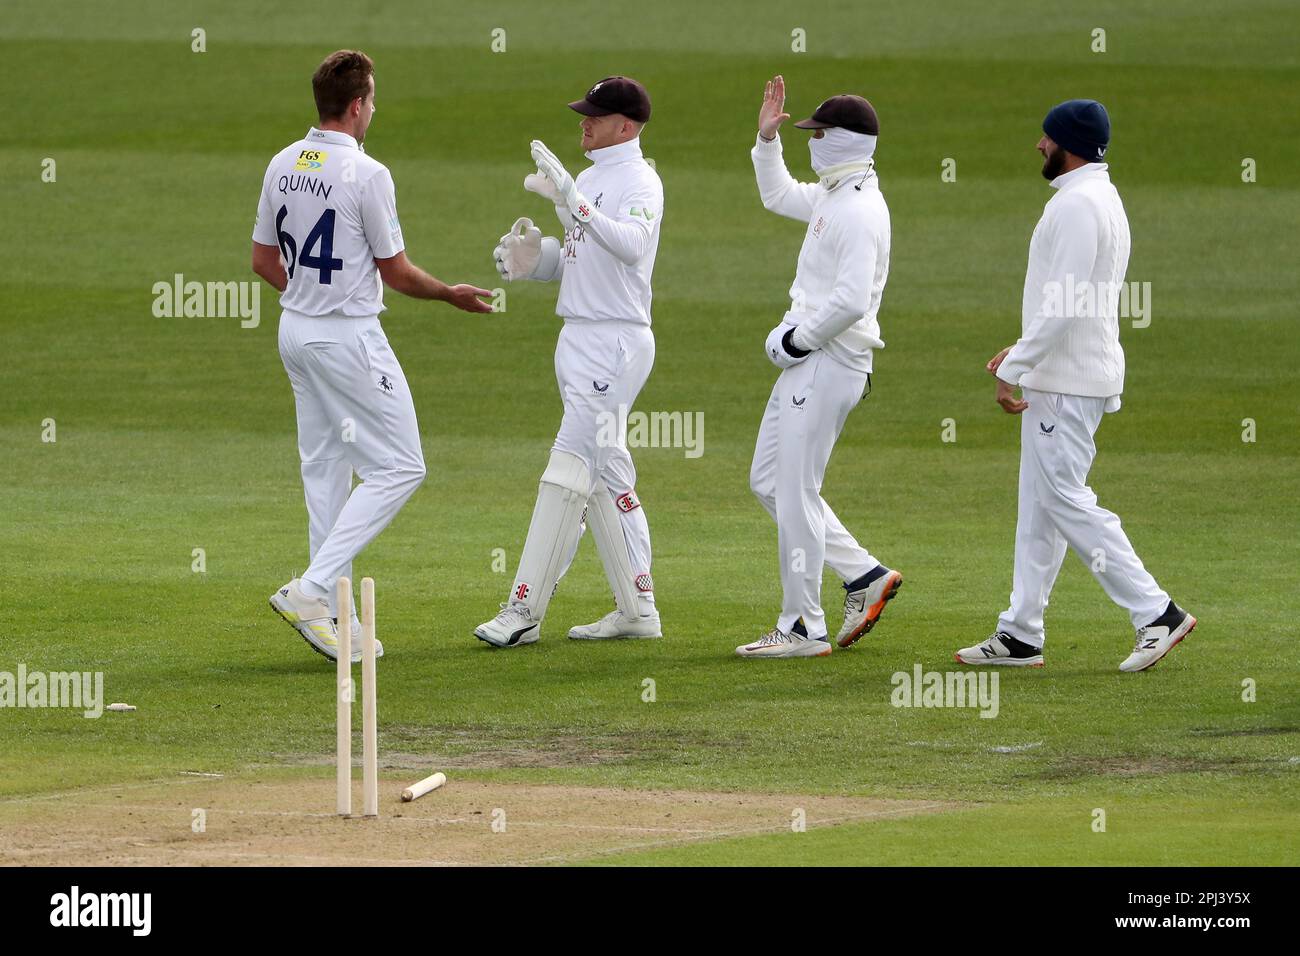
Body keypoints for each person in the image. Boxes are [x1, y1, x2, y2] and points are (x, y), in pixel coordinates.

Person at [255, 50, 492, 661]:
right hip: (347, 338)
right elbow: (397, 272)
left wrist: (309, 297)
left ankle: (335, 618)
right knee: (401, 466)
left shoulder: (282, 163)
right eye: (372, 103)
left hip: (295, 333)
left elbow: (262, 262)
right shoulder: (367, 174)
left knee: (327, 466)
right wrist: (449, 293)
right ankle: (310, 590)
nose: (373, 113)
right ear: (357, 105)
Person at [956, 99, 1195, 672]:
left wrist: (1018, 369)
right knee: (1040, 506)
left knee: (1064, 498)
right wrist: (1023, 351)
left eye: (1047, 138)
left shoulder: (1078, 206)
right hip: (1067, 371)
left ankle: (1155, 612)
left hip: (1065, 381)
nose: (1039, 145)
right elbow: (1068, 301)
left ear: (1071, 146)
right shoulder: (1095, 198)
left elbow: (1062, 303)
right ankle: (1020, 633)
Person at [476, 76, 664, 648]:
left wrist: (573, 202)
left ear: (625, 127)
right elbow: (586, 260)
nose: (584, 122)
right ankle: (638, 608)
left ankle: (524, 609)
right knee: (607, 475)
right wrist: (538, 262)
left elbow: (630, 245)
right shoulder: (588, 175)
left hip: (614, 343)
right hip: (578, 337)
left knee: (567, 470)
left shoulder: (641, 180)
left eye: (596, 116)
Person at [736, 76, 903, 660]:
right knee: (769, 481)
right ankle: (863, 574)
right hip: (814, 359)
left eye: (819, 133)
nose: (811, 141)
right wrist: (766, 141)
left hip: (829, 359)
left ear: (846, 141)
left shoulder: (859, 209)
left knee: (797, 489)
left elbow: (854, 298)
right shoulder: (837, 193)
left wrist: (797, 341)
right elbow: (779, 196)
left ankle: (803, 626)